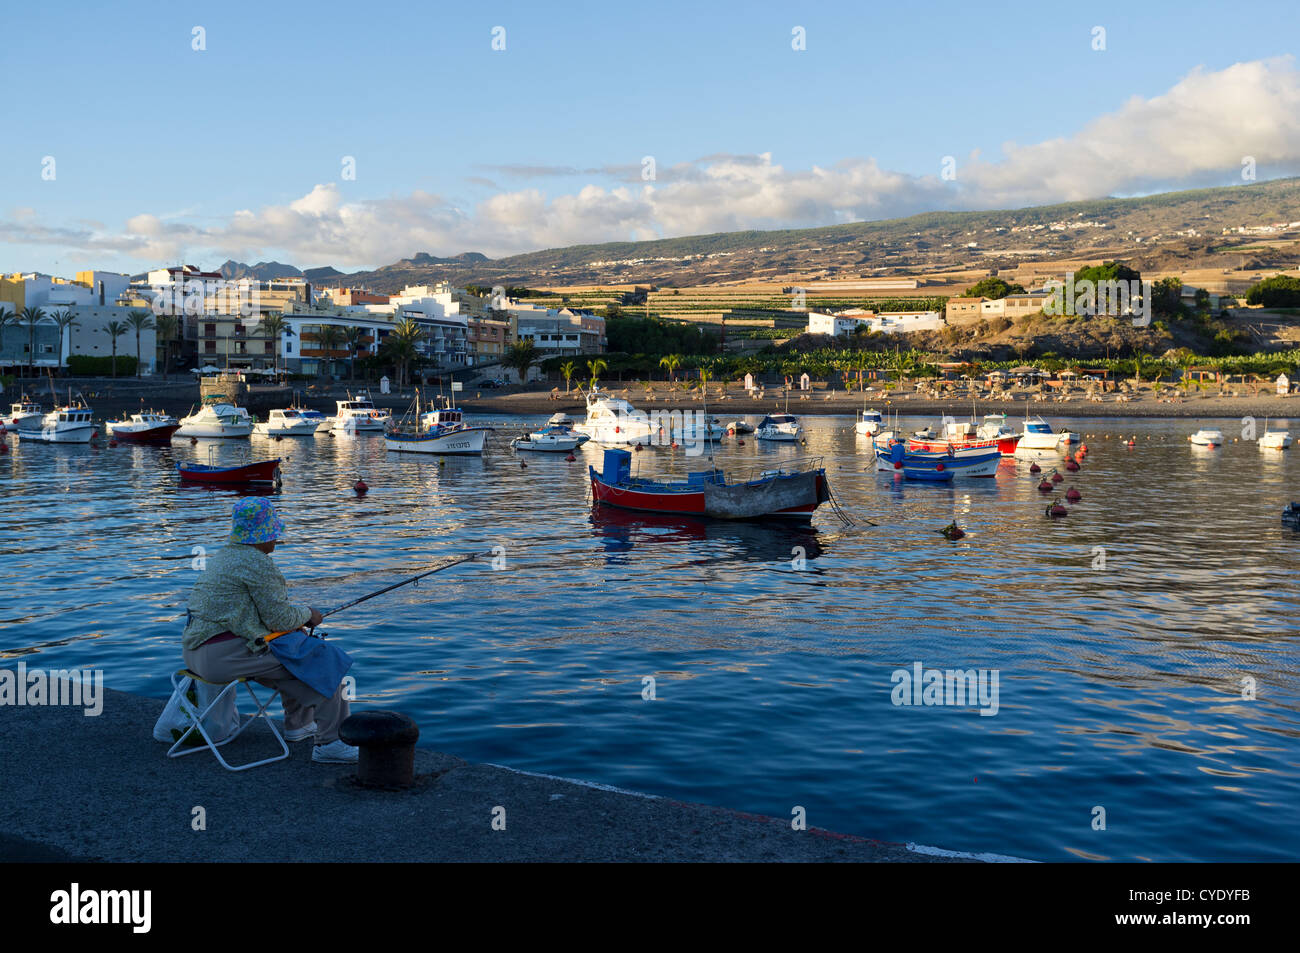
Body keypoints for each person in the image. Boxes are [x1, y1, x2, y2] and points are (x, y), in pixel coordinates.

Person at [181, 498, 357, 764]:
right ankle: (332, 743)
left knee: (294, 647)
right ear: (260, 535)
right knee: (323, 660)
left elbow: (254, 617)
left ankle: (299, 726)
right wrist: (310, 615)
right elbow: (279, 618)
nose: (277, 540)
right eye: (273, 533)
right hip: (225, 657)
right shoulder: (258, 563)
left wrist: (293, 625)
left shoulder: (223, 556)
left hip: (197, 655)